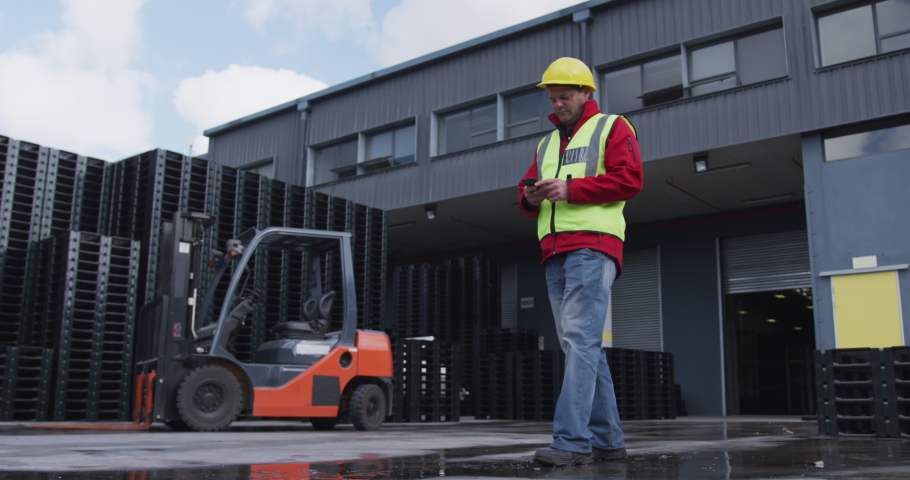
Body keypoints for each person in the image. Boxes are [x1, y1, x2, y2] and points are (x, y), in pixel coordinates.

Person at [518, 57, 643, 467]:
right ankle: (609, 442)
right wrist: (530, 196)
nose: (557, 104)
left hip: (592, 246)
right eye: (553, 98)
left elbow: (630, 180)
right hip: (554, 251)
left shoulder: (613, 126)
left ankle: (571, 441)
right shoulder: (546, 143)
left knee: (580, 343)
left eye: (565, 96)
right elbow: (526, 188)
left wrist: (571, 190)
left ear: (586, 93)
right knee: (581, 346)